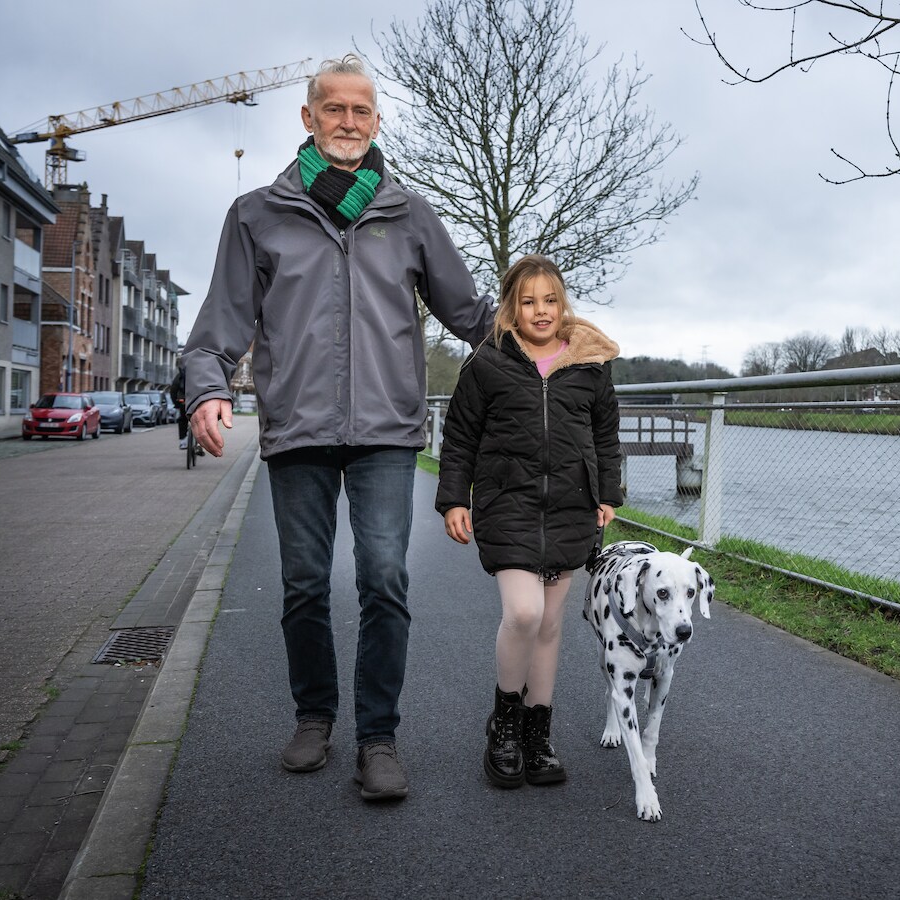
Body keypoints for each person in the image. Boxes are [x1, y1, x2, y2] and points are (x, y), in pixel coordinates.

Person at [183, 54, 496, 802]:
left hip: (388, 430)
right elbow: (216, 328)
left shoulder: (409, 215)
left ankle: (379, 737)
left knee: (386, 579)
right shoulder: (257, 214)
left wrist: (554, 349)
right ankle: (314, 718)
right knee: (303, 584)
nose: (348, 122)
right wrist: (206, 390)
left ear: (376, 121)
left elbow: (473, 315)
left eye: (361, 111)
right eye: (334, 110)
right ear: (308, 119)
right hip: (298, 431)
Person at [435, 254, 622, 789]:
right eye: (528, 301)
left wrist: (607, 492)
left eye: (550, 300)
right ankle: (505, 727)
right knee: (522, 612)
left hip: (569, 509)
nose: (541, 311)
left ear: (562, 304)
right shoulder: (487, 362)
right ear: (511, 308)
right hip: (508, 504)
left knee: (550, 624)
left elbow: (606, 435)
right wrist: (454, 499)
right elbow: (460, 438)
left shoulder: (590, 364)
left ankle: (539, 735)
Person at [170, 358, 188, 450]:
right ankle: (200, 443)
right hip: (197, 400)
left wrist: (176, 404)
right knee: (201, 419)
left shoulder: (179, 376)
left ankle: (183, 441)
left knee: (182, 419)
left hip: (183, 400)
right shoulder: (200, 374)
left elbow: (173, 390)